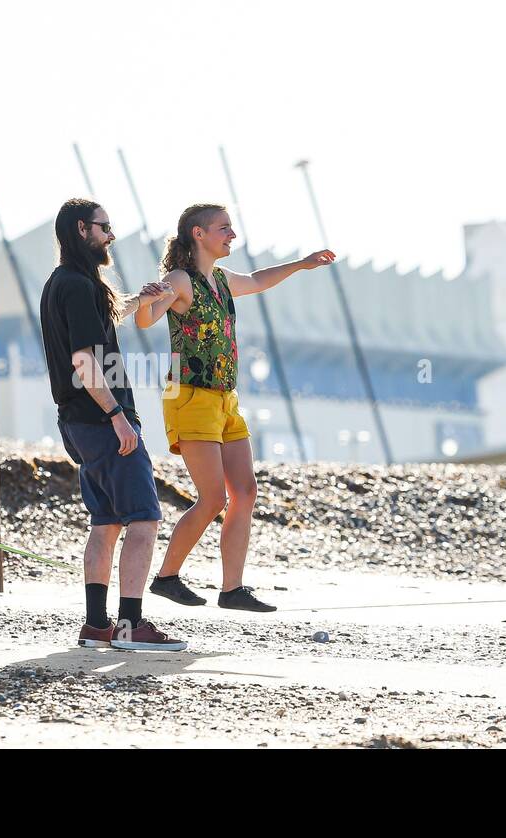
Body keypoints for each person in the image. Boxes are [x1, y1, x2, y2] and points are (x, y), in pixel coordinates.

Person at [135, 203, 335, 612]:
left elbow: (259, 280)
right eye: (223, 228)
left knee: (244, 491)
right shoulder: (180, 279)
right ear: (198, 234)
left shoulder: (222, 280)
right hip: (189, 395)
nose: (232, 235)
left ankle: (232, 589)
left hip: (225, 396)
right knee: (212, 499)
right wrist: (144, 302)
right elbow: (146, 321)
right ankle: (166, 577)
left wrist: (302, 264)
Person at [40, 197, 186, 651]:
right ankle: (130, 626)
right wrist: (119, 417)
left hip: (78, 423)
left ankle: (96, 625)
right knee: (143, 519)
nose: (111, 235)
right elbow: (85, 361)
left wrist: (139, 301)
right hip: (103, 421)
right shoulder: (79, 286)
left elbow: (99, 328)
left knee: (105, 524)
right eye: (105, 227)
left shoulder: (64, 283)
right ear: (82, 229)